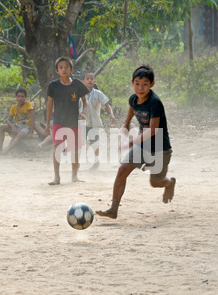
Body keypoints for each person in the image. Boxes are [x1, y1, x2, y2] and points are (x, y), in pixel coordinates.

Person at [96, 65, 176, 219]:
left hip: (160, 149)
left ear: (151, 84)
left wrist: (131, 142)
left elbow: (153, 130)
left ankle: (170, 183)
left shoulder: (155, 103)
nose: (140, 88)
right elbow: (133, 108)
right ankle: (113, 209)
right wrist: (126, 123)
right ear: (132, 83)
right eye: (137, 84)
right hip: (142, 147)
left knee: (156, 182)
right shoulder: (133, 99)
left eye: (145, 84)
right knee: (122, 170)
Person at [44, 56, 89, 185]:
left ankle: (74, 175)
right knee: (58, 148)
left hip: (74, 122)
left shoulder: (77, 84)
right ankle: (56, 177)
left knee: (75, 152)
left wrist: (84, 112)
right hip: (59, 121)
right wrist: (48, 124)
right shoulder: (53, 85)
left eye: (66, 67)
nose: (64, 70)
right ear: (57, 70)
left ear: (71, 69)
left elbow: (85, 102)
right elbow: (49, 105)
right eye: (61, 67)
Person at [81, 72, 116, 170]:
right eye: (87, 79)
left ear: (94, 81)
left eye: (92, 79)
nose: (90, 80)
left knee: (94, 143)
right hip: (82, 123)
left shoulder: (98, 93)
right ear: (83, 81)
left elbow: (107, 104)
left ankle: (96, 162)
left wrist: (111, 115)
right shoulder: (79, 94)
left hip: (94, 123)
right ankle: (76, 163)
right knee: (80, 142)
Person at [0, 88, 46, 155]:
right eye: (18, 96)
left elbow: (32, 118)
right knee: (2, 127)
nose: (20, 98)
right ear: (16, 97)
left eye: (22, 96)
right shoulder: (13, 107)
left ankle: (7, 150)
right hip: (17, 126)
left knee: (21, 133)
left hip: (27, 127)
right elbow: (9, 120)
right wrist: (12, 127)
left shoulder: (28, 105)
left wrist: (31, 132)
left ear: (25, 97)